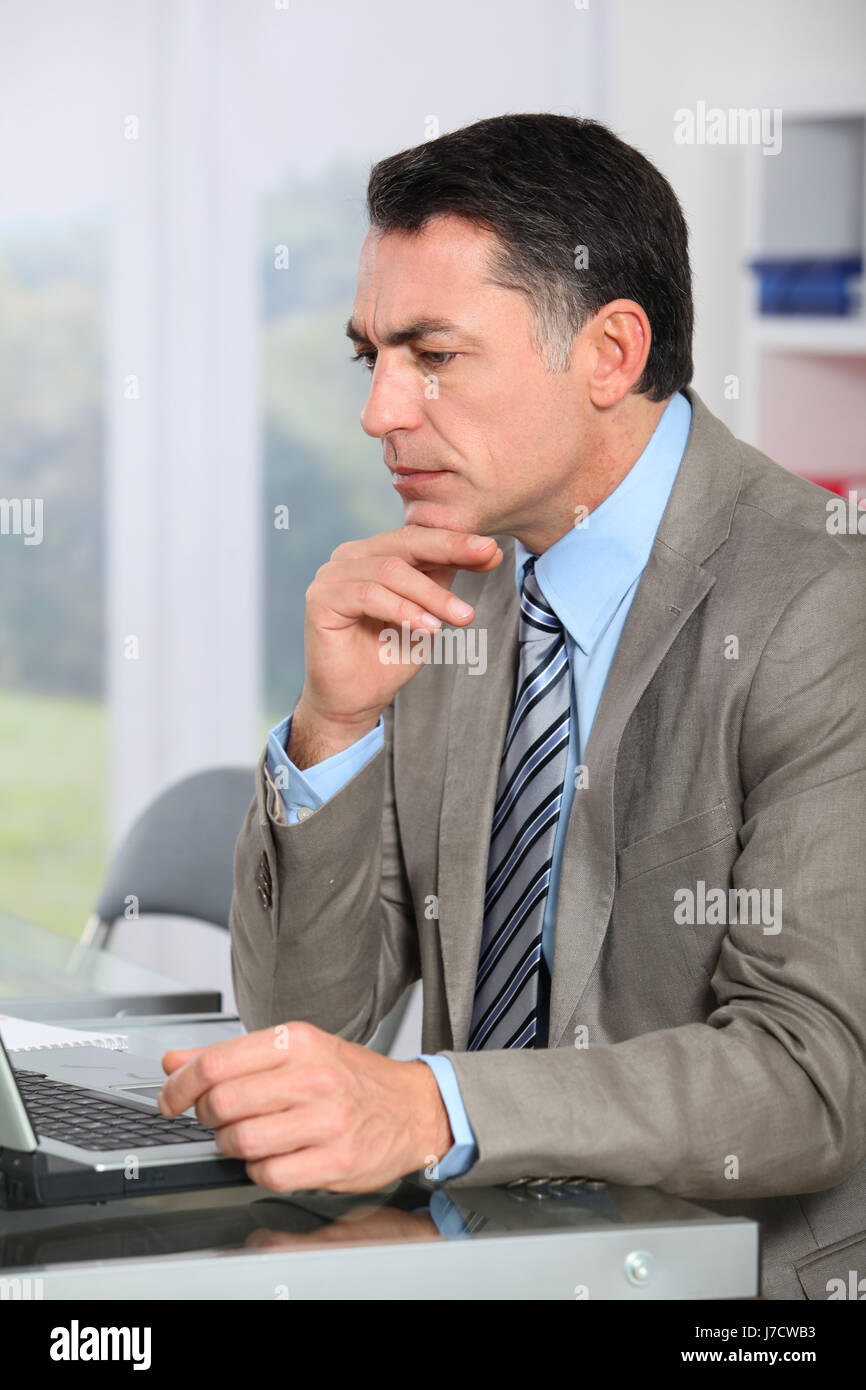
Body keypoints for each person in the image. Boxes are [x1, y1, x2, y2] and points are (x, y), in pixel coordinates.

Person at [159, 114, 866, 1301]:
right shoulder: (450, 588)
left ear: (607, 352)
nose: (382, 411)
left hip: (729, 1292)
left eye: (432, 355)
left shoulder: (818, 607)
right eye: (370, 358)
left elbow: (805, 1081)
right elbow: (302, 1026)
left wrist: (434, 1103)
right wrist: (331, 733)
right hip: (471, 1266)